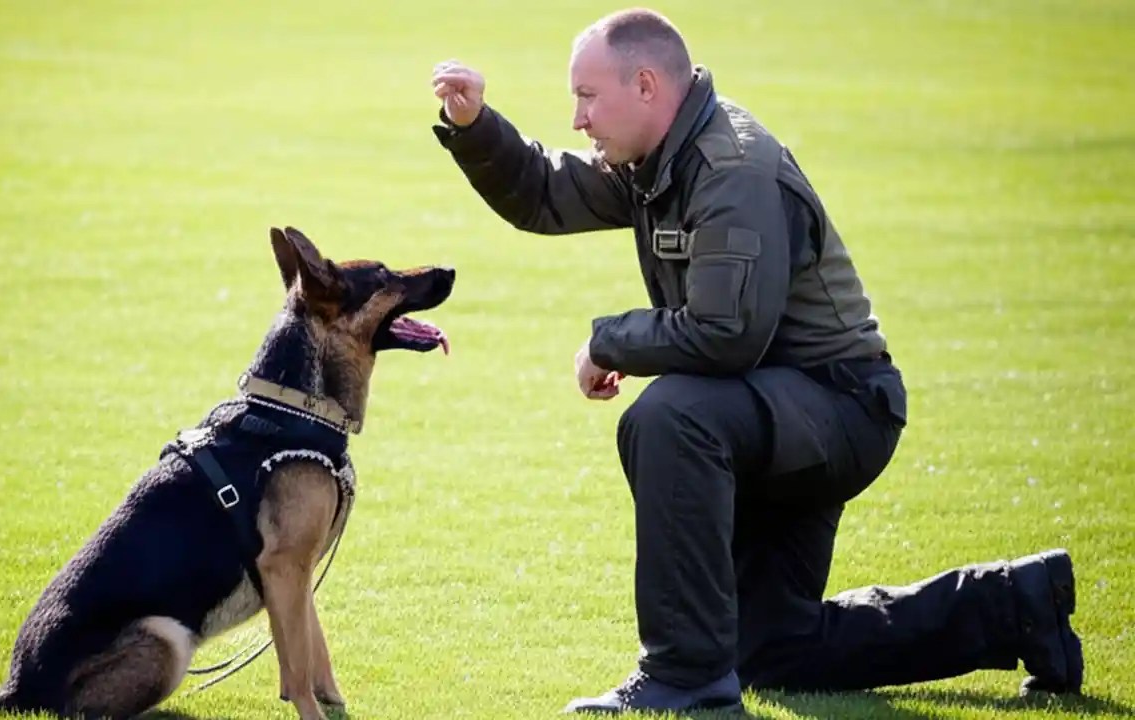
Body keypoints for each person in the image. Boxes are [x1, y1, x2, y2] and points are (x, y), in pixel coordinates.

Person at [429, 7, 1084, 715]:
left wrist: (607, 340)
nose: (578, 119)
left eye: (588, 97)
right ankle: (1018, 605)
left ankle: (684, 679)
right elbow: (545, 195)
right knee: (771, 649)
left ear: (646, 85)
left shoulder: (729, 168)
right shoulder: (656, 157)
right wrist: (476, 128)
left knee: (671, 418)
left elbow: (724, 333)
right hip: (782, 410)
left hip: (839, 408)